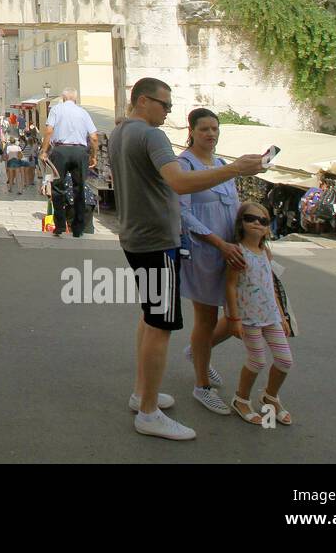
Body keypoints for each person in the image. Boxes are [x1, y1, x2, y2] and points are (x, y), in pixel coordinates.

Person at [109, 78, 264, 441]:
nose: (168, 112)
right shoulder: (151, 135)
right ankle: (148, 412)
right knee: (161, 325)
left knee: (150, 320)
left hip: (137, 236)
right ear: (144, 101)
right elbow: (179, 183)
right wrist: (235, 169)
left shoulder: (120, 132)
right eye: (165, 105)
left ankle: (141, 393)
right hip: (155, 240)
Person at [177, 108, 244, 416]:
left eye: (215, 128)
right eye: (204, 129)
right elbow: (183, 213)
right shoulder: (184, 165)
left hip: (233, 251)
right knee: (205, 319)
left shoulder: (222, 165)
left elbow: (236, 207)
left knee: (236, 316)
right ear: (191, 130)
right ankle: (202, 384)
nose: (211, 134)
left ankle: (198, 352)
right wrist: (217, 242)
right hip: (205, 251)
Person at [225, 201, 294, 426]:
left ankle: (270, 396)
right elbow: (231, 286)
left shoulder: (266, 252)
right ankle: (241, 399)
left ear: (267, 227)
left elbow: (271, 283)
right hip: (249, 319)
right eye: (250, 218)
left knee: (285, 360)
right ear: (241, 223)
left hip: (271, 316)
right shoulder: (238, 252)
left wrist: (282, 315)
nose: (256, 223)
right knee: (257, 361)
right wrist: (234, 318)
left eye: (262, 220)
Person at [40, 89, 98, 237]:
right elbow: (94, 136)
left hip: (61, 151)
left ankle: (59, 225)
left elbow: (49, 131)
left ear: (63, 98)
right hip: (80, 151)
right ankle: (78, 228)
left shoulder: (56, 110)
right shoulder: (83, 112)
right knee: (79, 188)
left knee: (57, 188)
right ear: (75, 99)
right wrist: (93, 155)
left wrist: (44, 150)